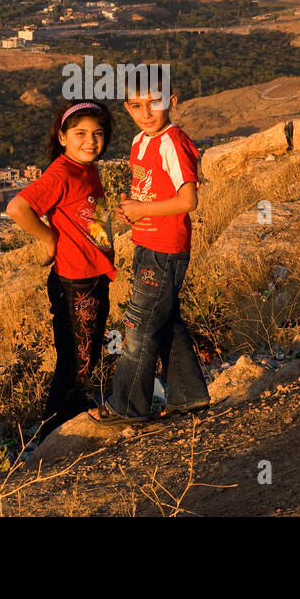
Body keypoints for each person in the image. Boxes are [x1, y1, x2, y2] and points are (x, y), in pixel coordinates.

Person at [92, 75, 210, 422]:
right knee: (166, 320)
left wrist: (142, 210)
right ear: (127, 108)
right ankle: (188, 396)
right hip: (146, 243)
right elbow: (153, 190)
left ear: (171, 101)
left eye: (153, 103)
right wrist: (133, 208)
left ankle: (126, 407)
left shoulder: (173, 142)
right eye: (136, 105)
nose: (146, 113)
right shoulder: (140, 141)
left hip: (166, 248)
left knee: (138, 328)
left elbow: (188, 200)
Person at [6, 100, 116, 447]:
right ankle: (51, 433)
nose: (91, 141)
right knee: (75, 359)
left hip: (92, 273)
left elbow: (91, 216)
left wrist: (107, 236)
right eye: (80, 133)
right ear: (63, 136)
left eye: (98, 134)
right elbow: (18, 207)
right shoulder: (62, 172)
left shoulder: (89, 169)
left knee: (88, 352)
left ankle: (73, 414)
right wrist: (49, 236)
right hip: (74, 280)